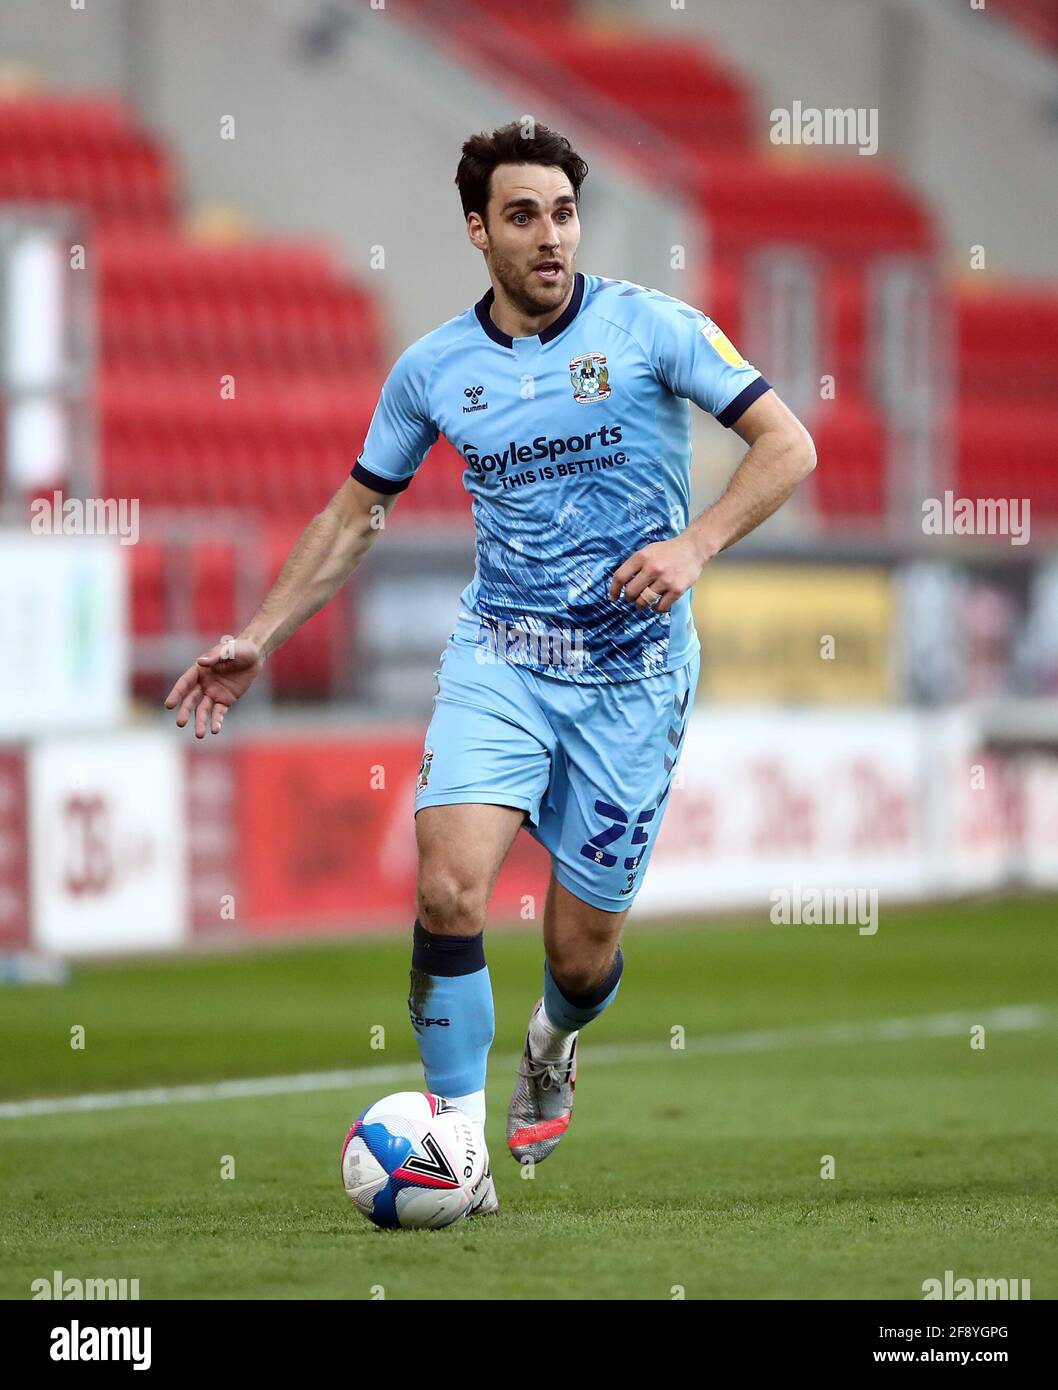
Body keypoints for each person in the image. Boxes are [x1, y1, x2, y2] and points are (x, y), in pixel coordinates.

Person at [165, 121, 816, 1217]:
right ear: (478, 230)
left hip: (634, 678)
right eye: (522, 216)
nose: (549, 236)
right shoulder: (431, 371)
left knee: (578, 950)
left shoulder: (651, 328)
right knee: (447, 884)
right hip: (501, 659)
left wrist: (693, 544)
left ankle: (554, 1040)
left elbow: (787, 444)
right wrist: (259, 633)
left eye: (562, 213)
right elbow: (355, 513)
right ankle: (457, 1149)